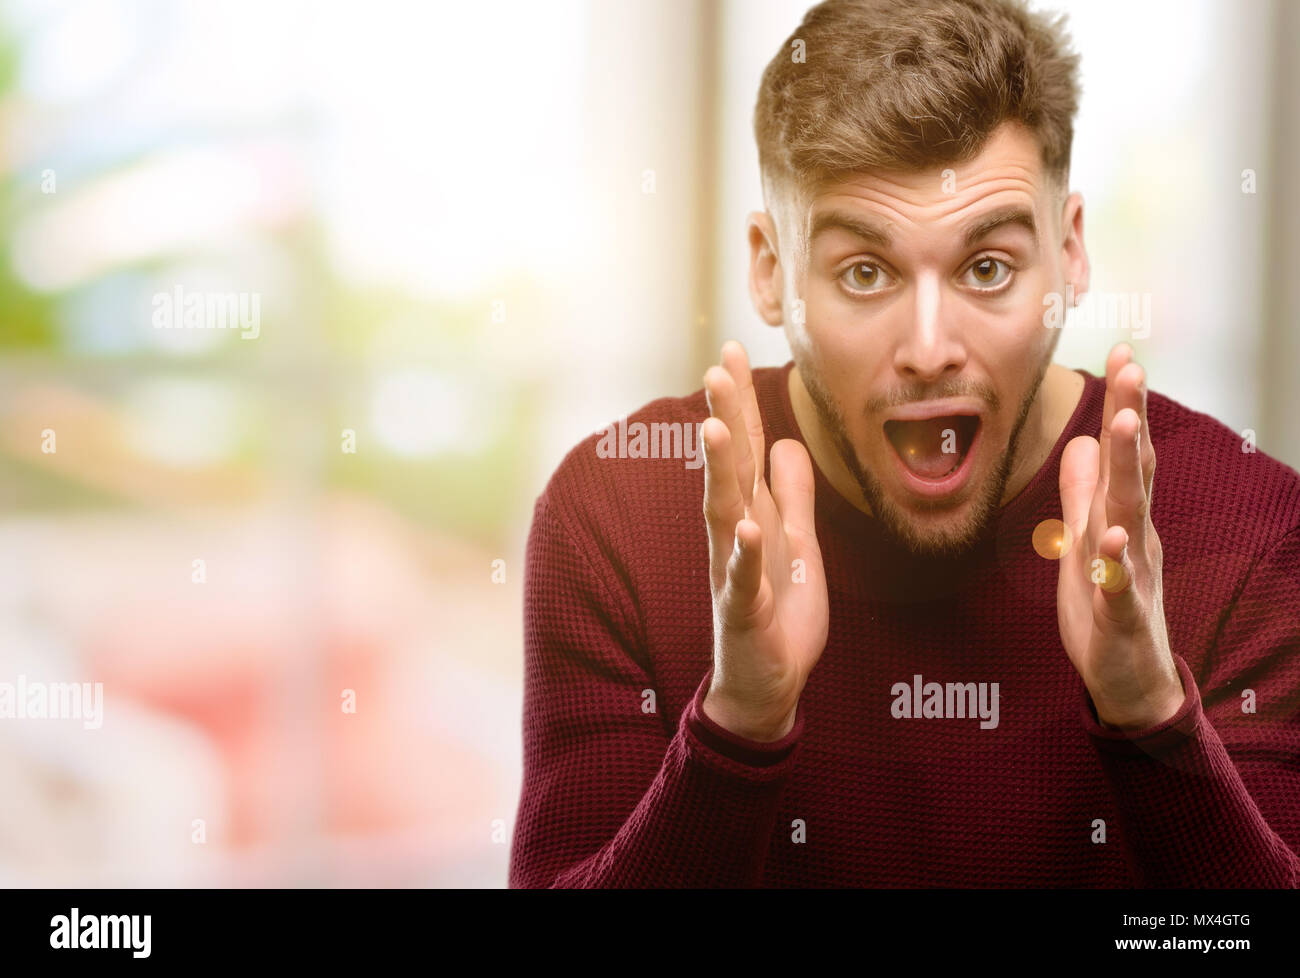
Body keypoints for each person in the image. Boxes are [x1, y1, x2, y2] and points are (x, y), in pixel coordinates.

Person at [508, 0, 1300, 887]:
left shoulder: (1253, 527)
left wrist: (1150, 710)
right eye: (865, 272)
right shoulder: (616, 513)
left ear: (1071, 253)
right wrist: (738, 723)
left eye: (987, 267)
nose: (929, 349)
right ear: (772, 272)